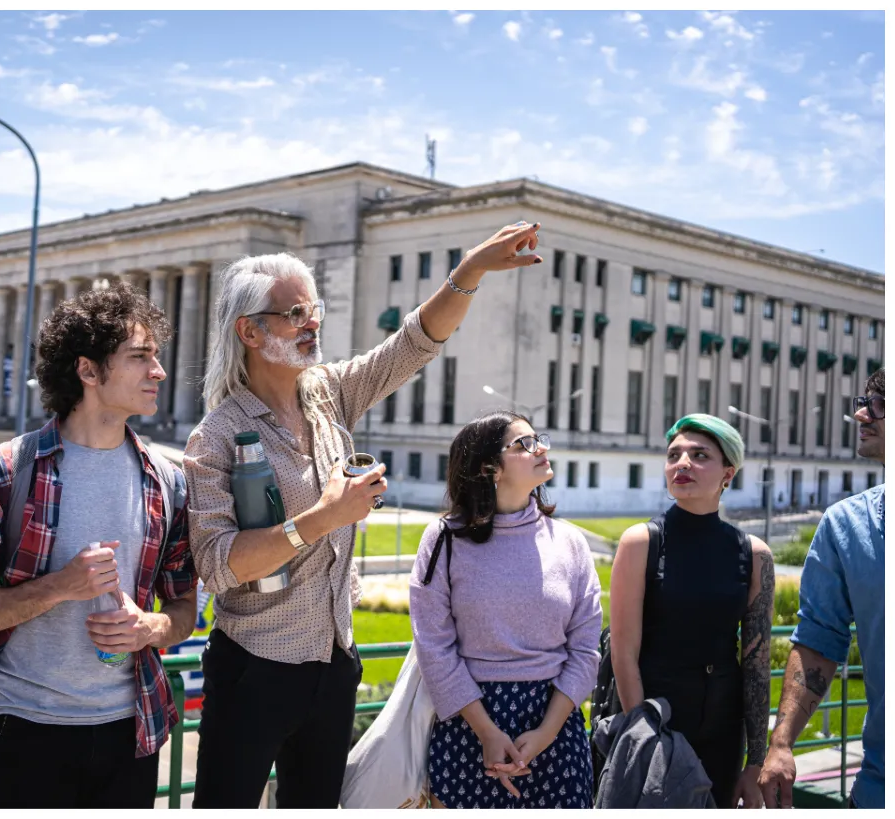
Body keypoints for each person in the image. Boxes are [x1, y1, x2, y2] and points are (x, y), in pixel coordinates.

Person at [184, 221, 544, 808]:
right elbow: (218, 565)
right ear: (249, 331)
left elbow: (413, 344)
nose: (312, 323)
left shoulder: (326, 394)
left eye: (314, 308)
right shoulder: (216, 436)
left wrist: (470, 270)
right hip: (254, 669)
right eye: (295, 312)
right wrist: (324, 516)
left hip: (334, 665)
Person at [0, 283, 198, 809]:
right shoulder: (2, 472)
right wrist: (59, 587)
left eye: (155, 357)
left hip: (130, 733)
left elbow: (183, 610)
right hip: (22, 730)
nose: (158, 372)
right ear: (88, 371)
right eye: (140, 358)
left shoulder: (168, 482)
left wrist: (149, 628)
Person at [410, 412, 601, 808]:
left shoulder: (570, 542)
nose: (541, 448)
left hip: (557, 728)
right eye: (525, 444)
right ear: (489, 468)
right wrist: (487, 733)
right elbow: (434, 646)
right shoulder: (443, 541)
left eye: (539, 439)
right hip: (468, 728)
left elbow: (586, 648)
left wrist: (547, 732)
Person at [610, 414, 775, 808]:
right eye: (673, 455)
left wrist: (756, 761)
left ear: (727, 474)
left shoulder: (753, 554)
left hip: (723, 730)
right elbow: (623, 653)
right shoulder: (641, 541)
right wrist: (643, 738)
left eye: (700, 455)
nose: (682, 464)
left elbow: (756, 663)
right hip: (656, 723)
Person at [759, 368, 885, 809]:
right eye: (865, 402)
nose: (860, 415)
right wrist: (782, 743)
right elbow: (819, 640)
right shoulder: (847, 525)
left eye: (879, 405)